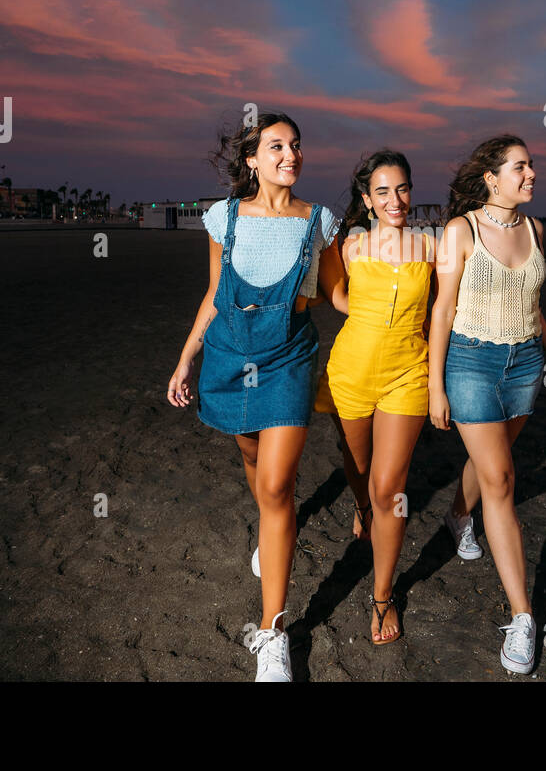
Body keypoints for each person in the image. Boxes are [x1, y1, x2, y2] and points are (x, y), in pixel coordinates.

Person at [167, 112, 340, 682]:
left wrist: (400, 279)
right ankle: (272, 532)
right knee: (250, 458)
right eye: (276, 147)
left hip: (289, 359)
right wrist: (185, 357)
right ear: (252, 160)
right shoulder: (225, 218)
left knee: (276, 484)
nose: (290, 155)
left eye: (295, 146)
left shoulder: (319, 222)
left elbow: (333, 293)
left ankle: (272, 633)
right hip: (229, 357)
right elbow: (215, 293)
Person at [427, 134, 546, 674]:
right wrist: (435, 386)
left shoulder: (536, 231)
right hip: (470, 362)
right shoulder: (460, 230)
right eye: (521, 167)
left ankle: (456, 515)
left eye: (533, 165)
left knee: (487, 464)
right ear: (492, 178)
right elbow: (442, 310)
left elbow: (531, 306)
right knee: (502, 479)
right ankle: (522, 616)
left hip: (523, 370)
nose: (532, 174)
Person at [313, 150, 435, 644]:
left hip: (409, 374)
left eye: (402, 188)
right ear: (366, 199)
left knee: (390, 489)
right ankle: (360, 509)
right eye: (382, 191)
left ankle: (382, 596)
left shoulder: (431, 247)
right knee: (358, 468)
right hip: (352, 372)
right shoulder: (349, 246)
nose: (395, 199)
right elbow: (336, 296)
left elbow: (439, 315)